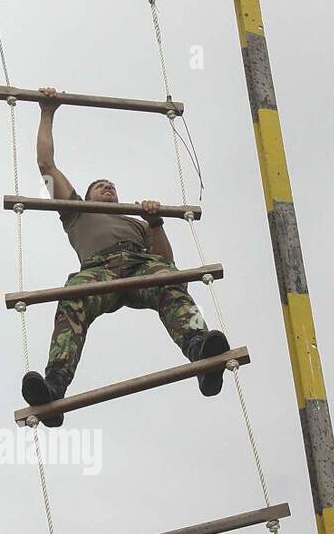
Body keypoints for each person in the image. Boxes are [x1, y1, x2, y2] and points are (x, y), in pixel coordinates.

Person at [19, 87, 231, 426]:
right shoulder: (76, 212)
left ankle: (200, 350)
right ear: (85, 197)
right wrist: (48, 111)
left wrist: (155, 221)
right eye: (99, 185)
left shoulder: (136, 222)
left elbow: (166, 261)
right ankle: (54, 387)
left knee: (168, 282)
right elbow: (46, 164)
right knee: (71, 300)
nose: (107, 187)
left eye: (111, 185)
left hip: (139, 265)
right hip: (98, 270)